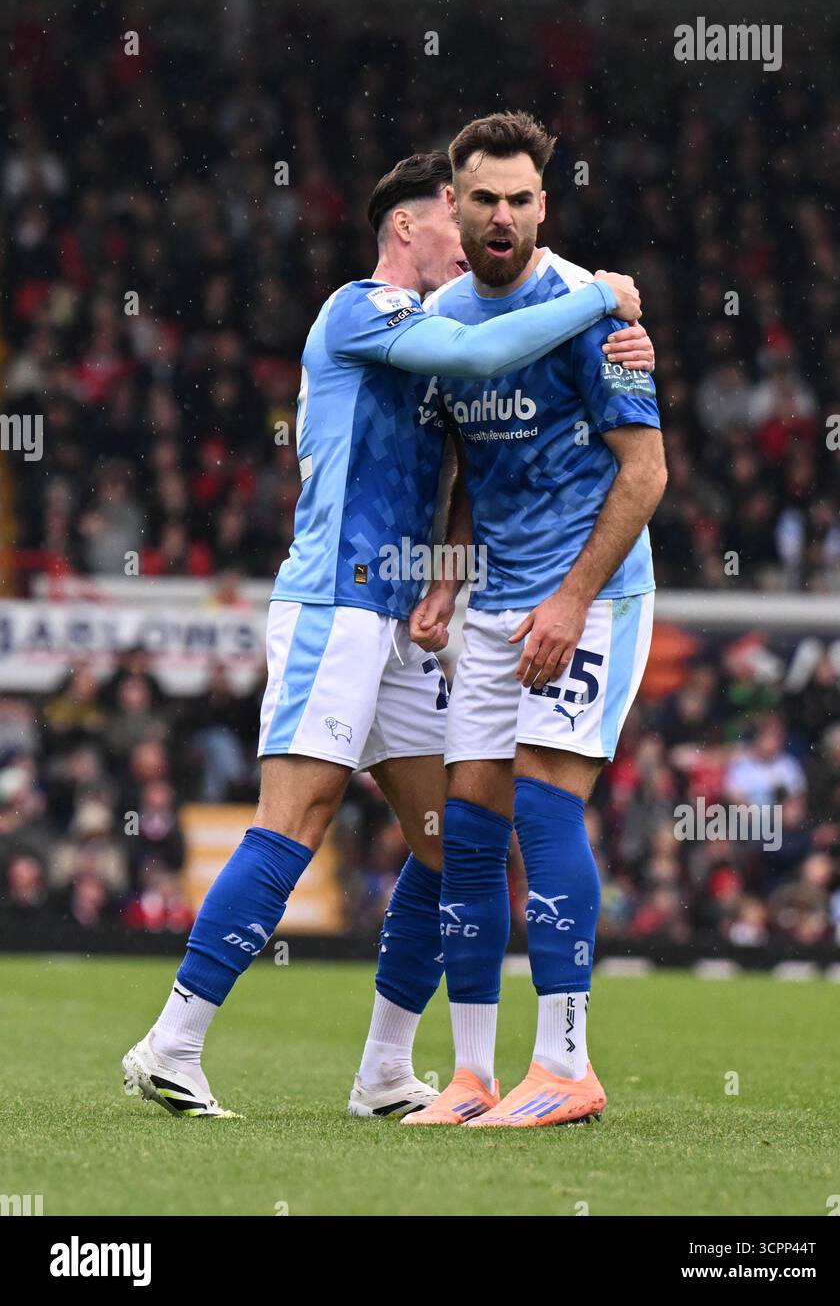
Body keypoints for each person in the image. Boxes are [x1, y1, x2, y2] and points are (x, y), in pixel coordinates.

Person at [121, 147, 652, 1119]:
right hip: (334, 604)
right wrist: (602, 299)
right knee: (297, 818)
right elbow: (486, 356)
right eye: (455, 215)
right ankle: (172, 1042)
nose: (473, 233)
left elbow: (469, 443)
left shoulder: (437, 323)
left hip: (400, 619)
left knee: (451, 841)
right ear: (410, 225)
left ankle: (381, 1072)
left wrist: (447, 579)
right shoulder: (359, 310)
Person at [403, 112, 666, 1128]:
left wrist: (568, 598)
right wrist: (446, 571)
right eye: (483, 199)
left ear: (542, 207)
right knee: (467, 826)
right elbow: (473, 457)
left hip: (591, 594)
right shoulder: (444, 316)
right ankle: (471, 1076)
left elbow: (646, 474)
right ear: (453, 208)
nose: (501, 215)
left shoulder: (597, 315)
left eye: (520, 199)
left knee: (544, 809)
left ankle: (565, 1065)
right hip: (496, 597)